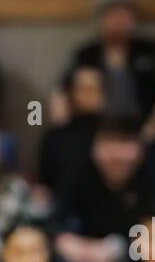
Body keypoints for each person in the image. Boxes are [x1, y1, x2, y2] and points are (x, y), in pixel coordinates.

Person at [52, 0, 155, 163]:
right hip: (96, 131)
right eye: (111, 14)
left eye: (124, 14)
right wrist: (63, 124)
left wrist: (154, 126)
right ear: (99, 19)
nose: (118, 20)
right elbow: (61, 90)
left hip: (144, 128)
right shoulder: (85, 55)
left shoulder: (151, 50)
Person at [54, 117, 155, 262]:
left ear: (141, 148)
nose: (116, 154)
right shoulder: (79, 174)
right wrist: (73, 244)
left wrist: (120, 248)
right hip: (85, 257)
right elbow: (57, 223)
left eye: (125, 142)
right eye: (108, 142)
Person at [38, 65, 105, 194]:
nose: (90, 95)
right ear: (71, 93)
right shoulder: (54, 138)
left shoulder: (116, 137)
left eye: (95, 89)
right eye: (84, 89)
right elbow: (45, 187)